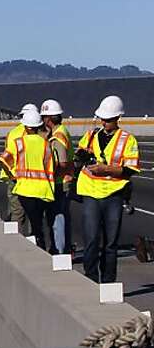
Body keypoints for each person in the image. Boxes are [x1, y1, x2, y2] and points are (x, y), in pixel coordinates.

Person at [76, 95, 140, 283]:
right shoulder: (91, 135)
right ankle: (91, 280)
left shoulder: (128, 140)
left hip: (113, 194)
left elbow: (130, 170)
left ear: (118, 118)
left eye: (109, 119)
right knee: (91, 240)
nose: (105, 122)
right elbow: (79, 155)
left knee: (110, 243)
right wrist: (84, 157)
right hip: (90, 192)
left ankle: (108, 282)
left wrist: (106, 169)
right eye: (103, 118)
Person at [0, 106, 56, 250]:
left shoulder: (19, 143)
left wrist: (13, 175)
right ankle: (39, 246)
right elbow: (51, 167)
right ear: (38, 126)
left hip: (24, 188)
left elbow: (3, 160)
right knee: (37, 222)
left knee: (18, 216)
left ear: (26, 126)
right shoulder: (46, 145)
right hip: (43, 190)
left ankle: (17, 248)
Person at [40, 99, 73, 254]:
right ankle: (62, 248)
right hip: (62, 181)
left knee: (58, 218)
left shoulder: (58, 136)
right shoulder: (59, 131)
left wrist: (49, 170)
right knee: (61, 217)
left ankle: (61, 251)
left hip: (61, 182)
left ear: (48, 118)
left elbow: (63, 162)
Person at [0, 103, 38, 234]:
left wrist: (12, 175)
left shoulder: (13, 133)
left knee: (16, 213)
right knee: (34, 215)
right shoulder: (39, 136)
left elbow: (5, 158)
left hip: (15, 178)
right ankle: (35, 242)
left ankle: (16, 242)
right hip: (34, 180)